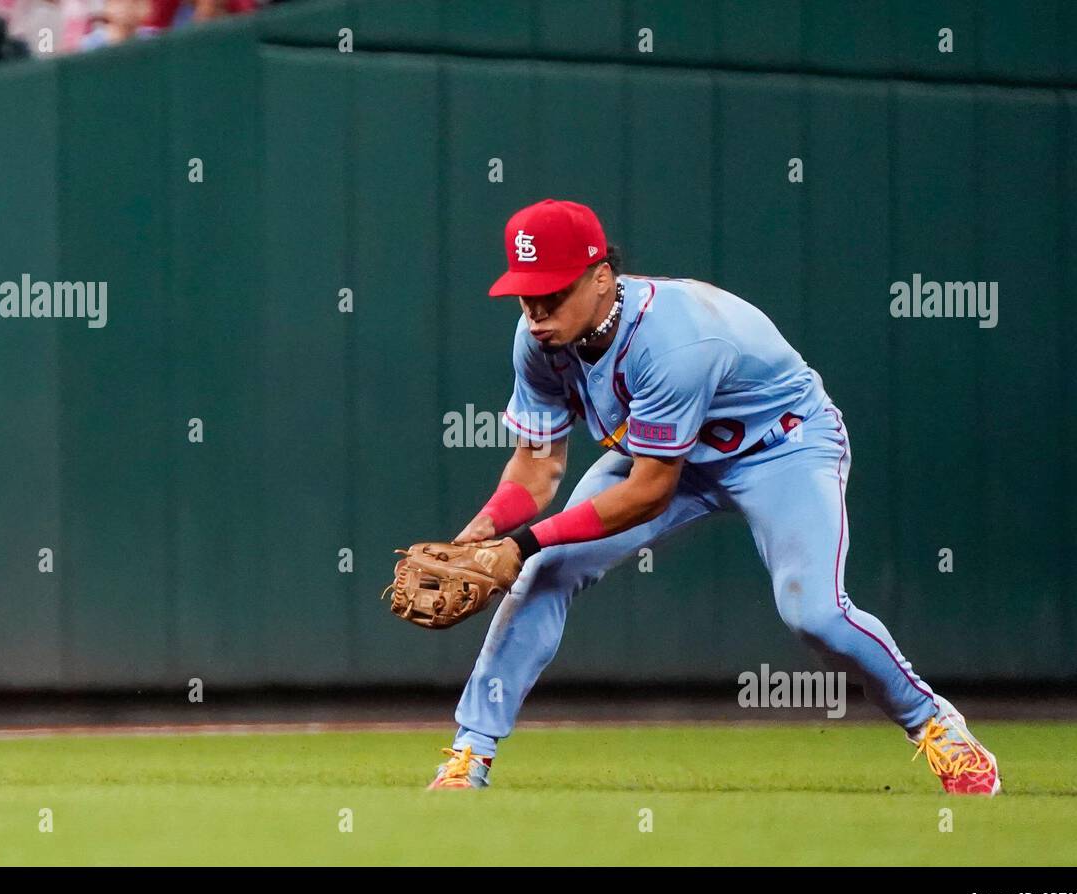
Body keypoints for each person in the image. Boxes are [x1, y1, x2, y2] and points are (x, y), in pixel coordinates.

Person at [428, 198, 1001, 796]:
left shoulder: (674, 341)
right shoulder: (538, 340)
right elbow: (538, 466)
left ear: (602, 279)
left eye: (554, 291)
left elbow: (648, 493)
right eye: (527, 293)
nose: (538, 309)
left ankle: (936, 722)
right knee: (545, 571)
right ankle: (470, 754)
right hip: (667, 452)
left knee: (816, 613)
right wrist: (487, 529)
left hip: (781, 448)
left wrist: (520, 543)